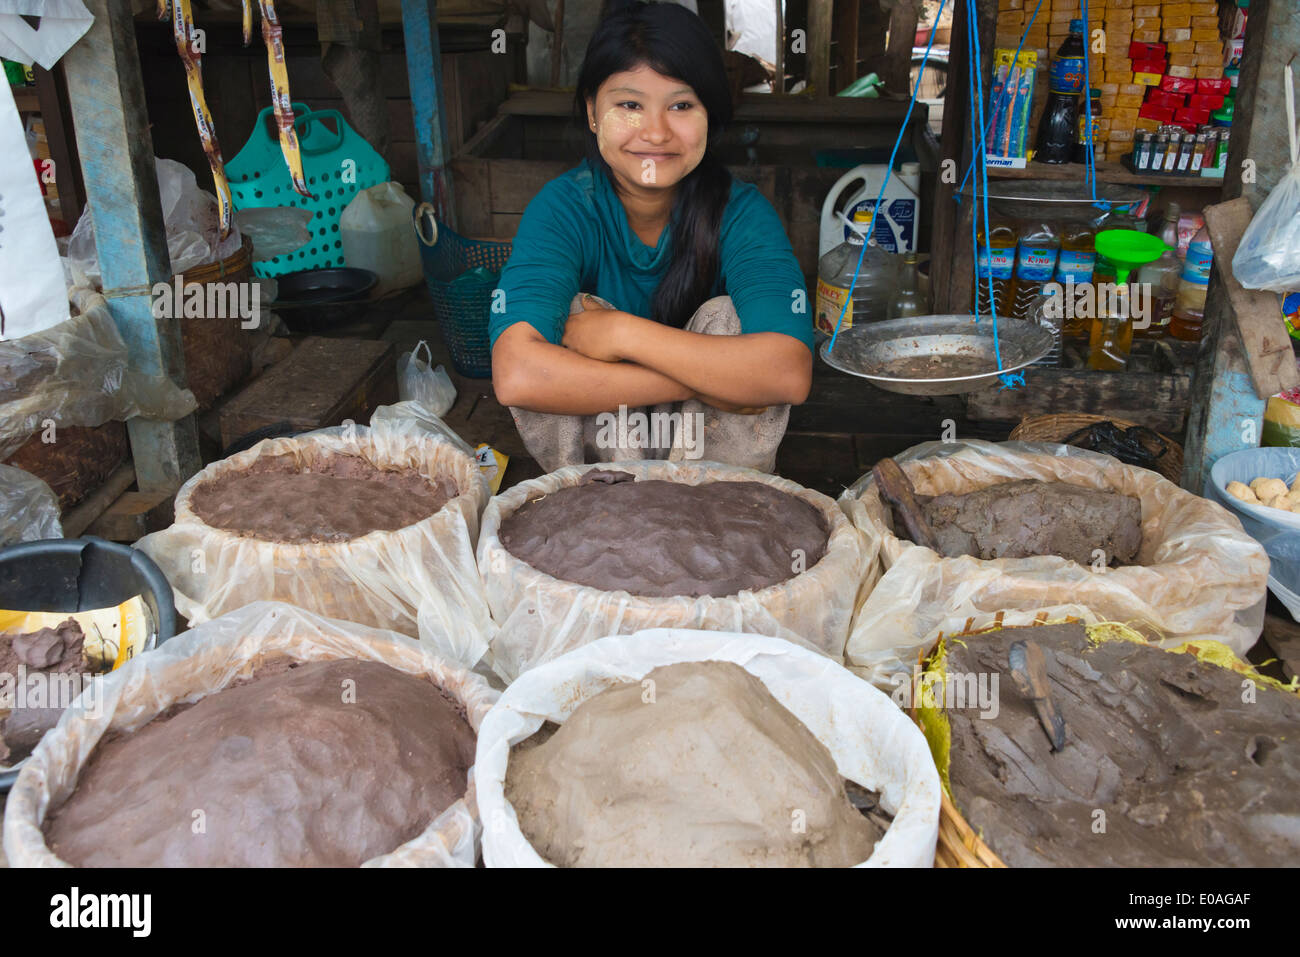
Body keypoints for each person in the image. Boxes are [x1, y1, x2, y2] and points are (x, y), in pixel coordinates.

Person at [489, 0, 813, 473]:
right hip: (600, 465)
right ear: (593, 113)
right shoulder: (563, 209)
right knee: (568, 317)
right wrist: (694, 382)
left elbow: (787, 372)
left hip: (714, 472)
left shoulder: (741, 214)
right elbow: (517, 374)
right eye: (629, 105)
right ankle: (599, 510)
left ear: (710, 115)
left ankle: (716, 518)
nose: (656, 132)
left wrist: (621, 333)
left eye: (681, 105)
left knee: (729, 320)